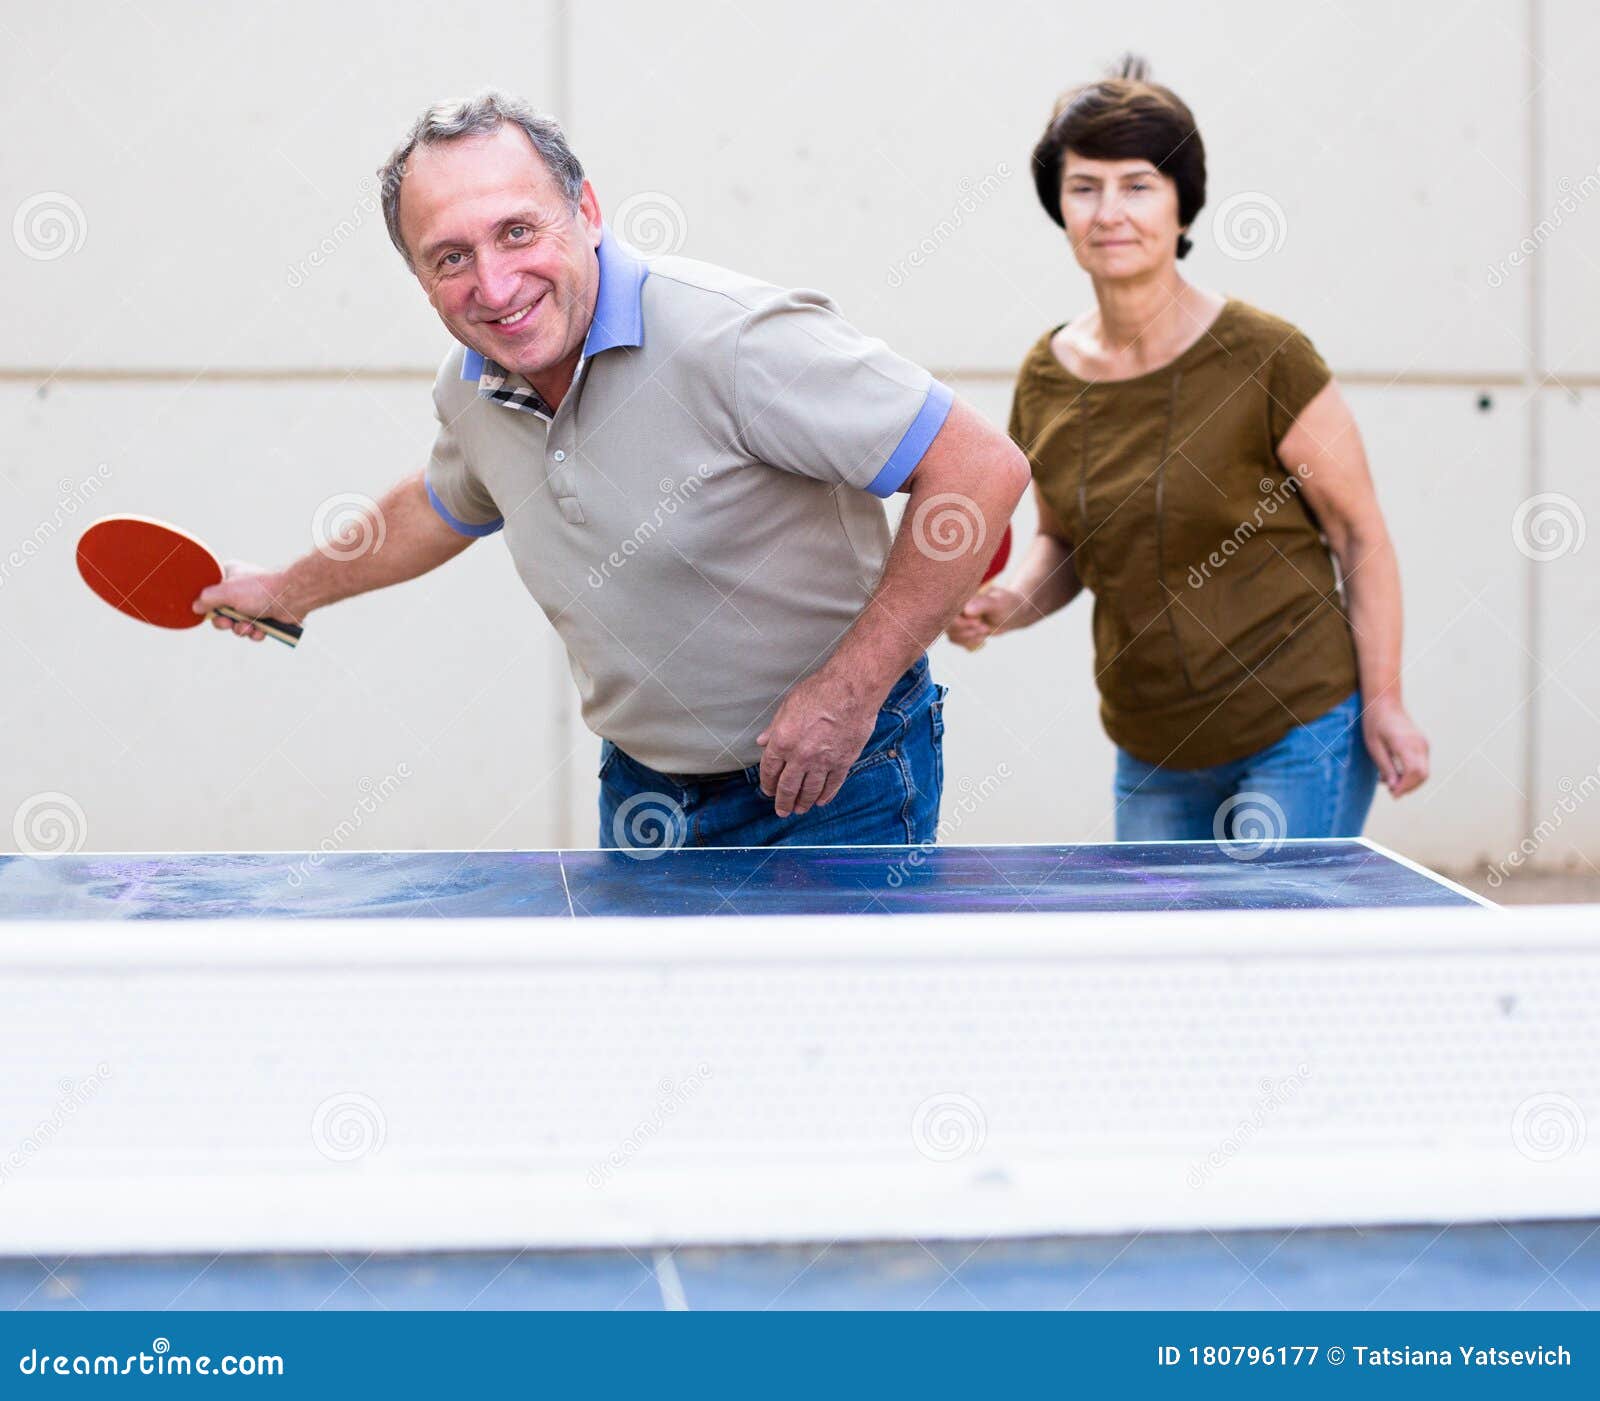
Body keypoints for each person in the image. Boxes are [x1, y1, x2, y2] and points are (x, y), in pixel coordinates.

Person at [200, 93, 1029, 851]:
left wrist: (848, 693)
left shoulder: (732, 339)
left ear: (586, 211)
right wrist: (285, 590)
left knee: (825, 1021)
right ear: (421, 280)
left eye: (517, 231)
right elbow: (440, 504)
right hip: (644, 796)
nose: (494, 284)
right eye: (450, 256)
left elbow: (979, 466)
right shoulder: (472, 383)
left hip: (837, 781)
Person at [947, 58, 1428, 842]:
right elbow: (1064, 542)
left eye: (1138, 184)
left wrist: (1387, 700)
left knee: (1274, 958)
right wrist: (1005, 605)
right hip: (1150, 744)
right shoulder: (1043, 374)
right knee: (1161, 961)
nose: (1110, 211)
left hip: (1299, 725)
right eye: (1084, 187)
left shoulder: (1269, 355)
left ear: (1182, 203)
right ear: (1059, 208)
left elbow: (1359, 534)